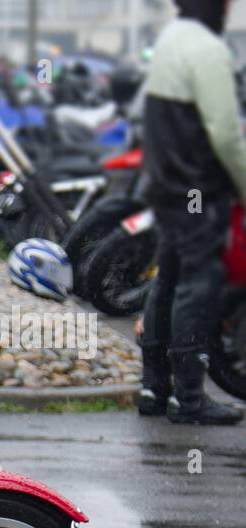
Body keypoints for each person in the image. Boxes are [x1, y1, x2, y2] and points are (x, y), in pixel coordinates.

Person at [139, 0, 246, 424]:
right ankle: (190, 398)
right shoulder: (207, 49)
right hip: (198, 188)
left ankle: (154, 388)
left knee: (168, 279)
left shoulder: (170, 39)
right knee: (198, 285)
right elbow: (225, 132)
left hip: (166, 186)